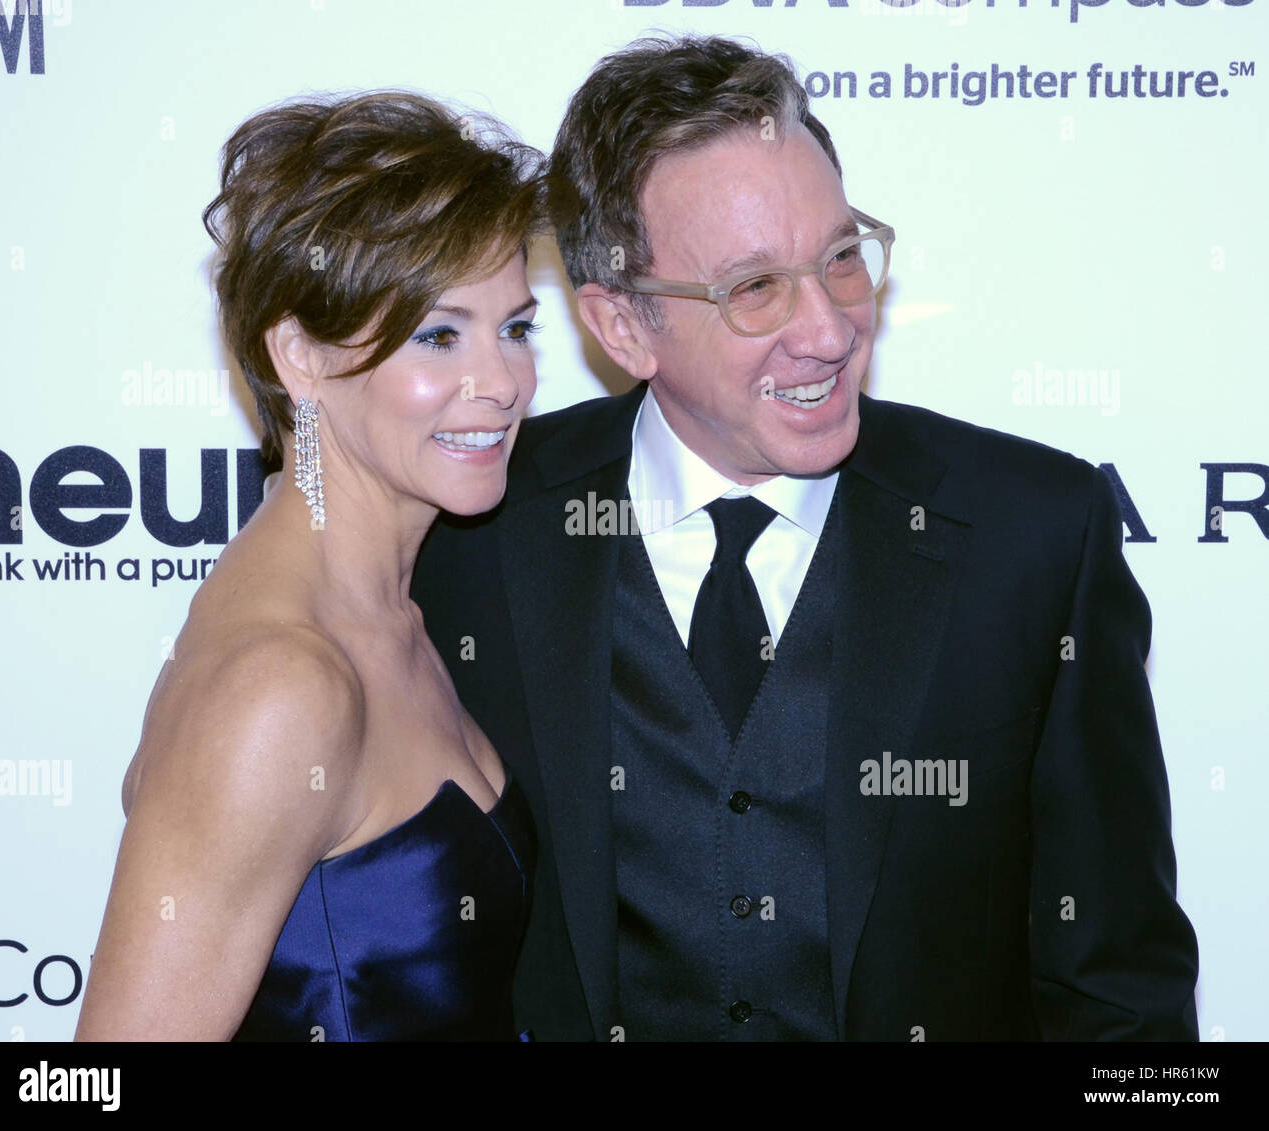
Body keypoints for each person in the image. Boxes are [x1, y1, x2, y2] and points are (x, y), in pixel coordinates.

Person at [411, 35, 1200, 1041]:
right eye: (754, 289)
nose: (828, 330)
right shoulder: (468, 537)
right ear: (622, 327)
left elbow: (1120, 984)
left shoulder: (1032, 532)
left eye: (840, 258)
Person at [75, 91, 545, 1041]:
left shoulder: (396, 607)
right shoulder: (283, 686)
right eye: (439, 334)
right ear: (297, 355)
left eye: (517, 328)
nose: (501, 383)